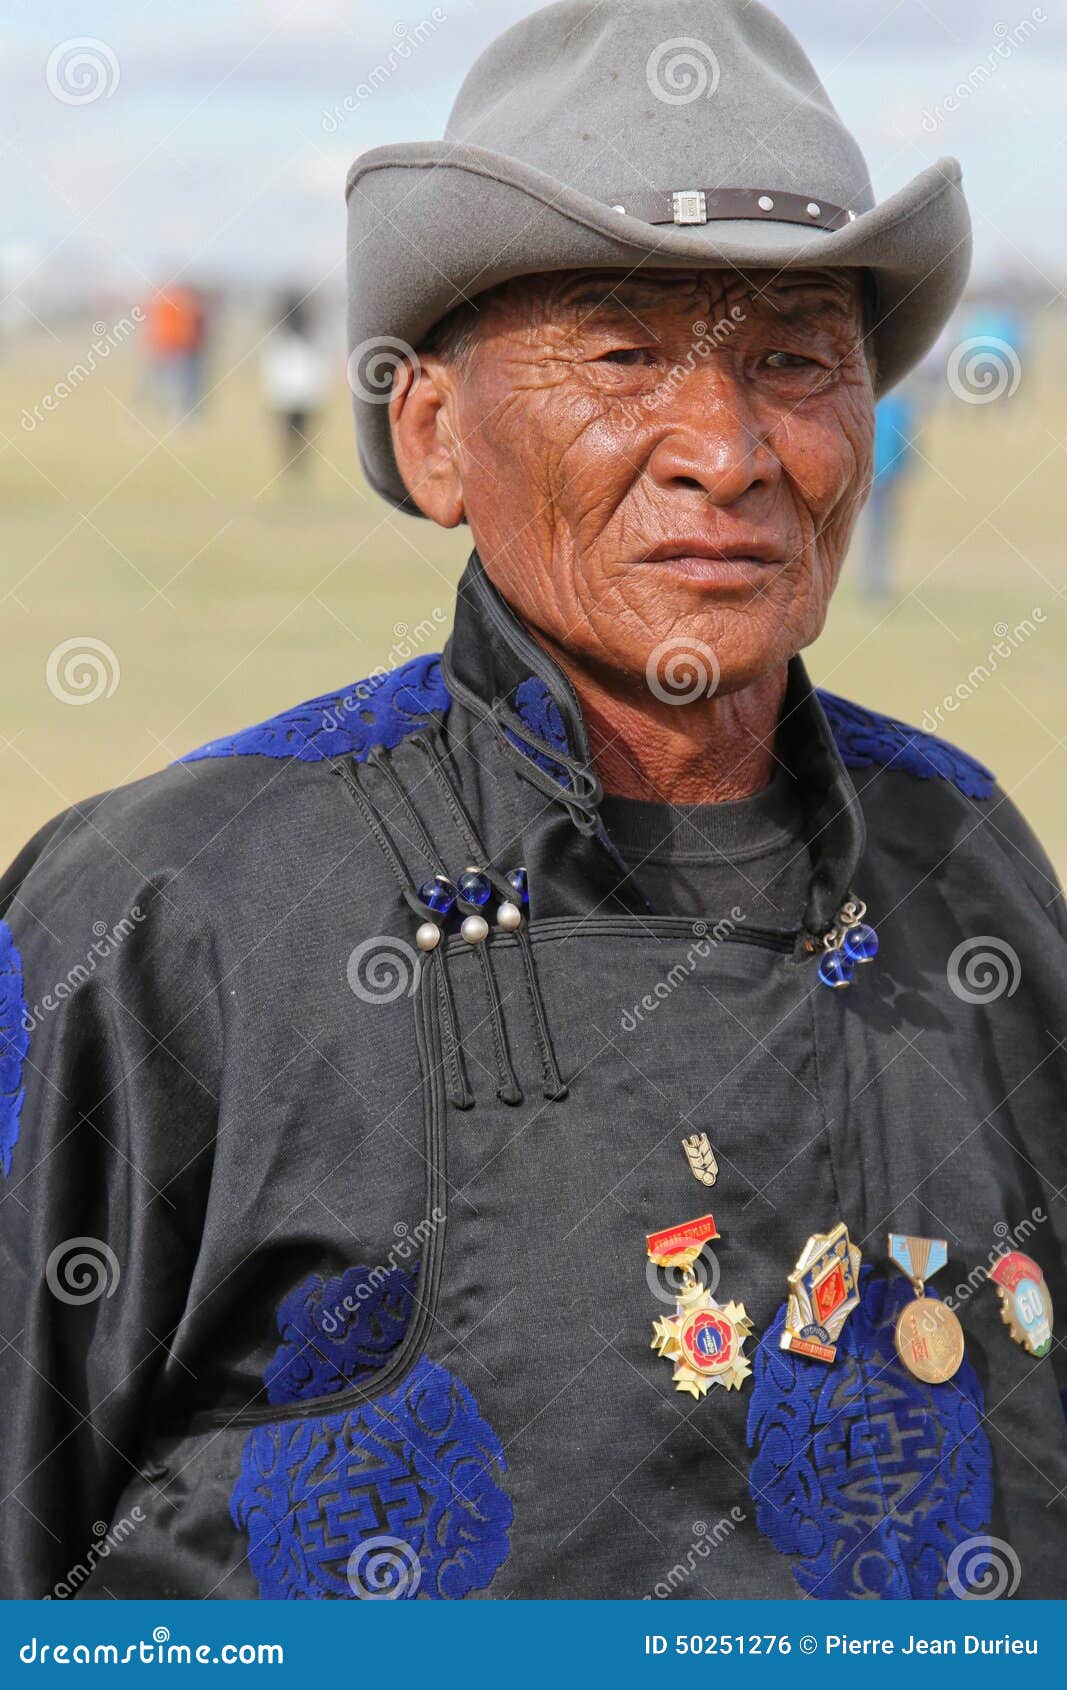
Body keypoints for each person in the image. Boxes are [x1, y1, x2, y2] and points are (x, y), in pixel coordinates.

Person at [2, 0, 1065, 1603]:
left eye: (791, 360)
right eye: (625, 353)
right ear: (434, 435)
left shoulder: (963, 859)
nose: (723, 447)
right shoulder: (173, 911)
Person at [259, 291, 330, 479]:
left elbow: (273, 366)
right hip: (302, 395)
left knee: (291, 434)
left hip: (289, 396)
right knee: (300, 435)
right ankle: (296, 467)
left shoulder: (283, 334)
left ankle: (293, 466)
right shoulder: (308, 334)